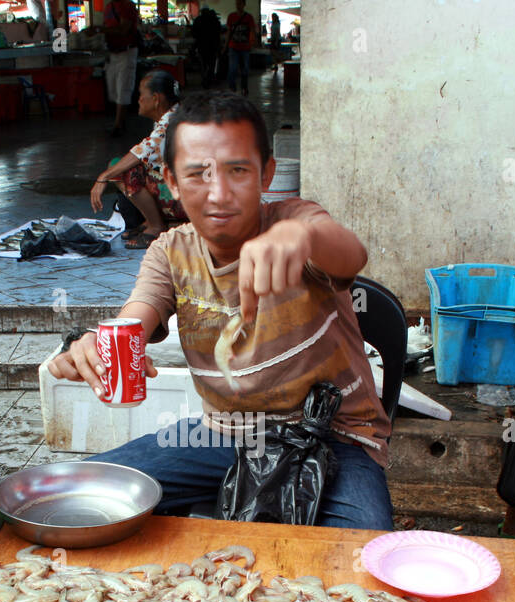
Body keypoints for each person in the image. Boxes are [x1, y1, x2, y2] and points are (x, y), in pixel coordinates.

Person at [49, 91, 393, 530]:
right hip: (224, 434)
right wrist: (94, 346)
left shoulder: (296, 222)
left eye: (238, 171)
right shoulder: (170, 252)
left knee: (364, 567)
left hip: (333, 436)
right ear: (171, 181)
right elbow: (135, 318)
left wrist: (303, 239)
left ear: (266, 173)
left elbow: (350, 255)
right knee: (76, 496)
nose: (219, 194)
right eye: (197, 174)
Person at [90, 70, 186, 250]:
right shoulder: (175, 115)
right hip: (192, 190)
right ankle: (150, 220)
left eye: (142, 95)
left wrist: (103, 177)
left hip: (187, 199)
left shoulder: (169, 122)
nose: (139, 99)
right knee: (123, 165)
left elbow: (141, 152)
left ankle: (156, 226)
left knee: (126, 171)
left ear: (156, 99)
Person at [101, 0, 140, 137]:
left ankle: (118, 125)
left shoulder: (127, 6)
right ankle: (121, 121)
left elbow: (124, 29)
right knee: (113, 90)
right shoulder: (108, 7)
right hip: (113, 53)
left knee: (123, 87)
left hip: (126, 53)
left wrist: (100, 30)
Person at [223, 0, 255, 97]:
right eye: (237, 3)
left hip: (245, 47)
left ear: (244, 5)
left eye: (240, 3)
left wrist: (251, 43)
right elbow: (229, 32)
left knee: (245, 69)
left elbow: (252, 31)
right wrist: (225, 46)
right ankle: (232, 89)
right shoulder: (231, 16)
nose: (238, 5)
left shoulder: (249, 17)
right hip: (233, 47)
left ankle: (244, 88)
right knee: (232, 68)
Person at [189, 5, 220, 88]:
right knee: (211, 64)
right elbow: (218, 33)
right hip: (212, 46)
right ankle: (209, 79)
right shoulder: (214, 19)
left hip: (201, 46)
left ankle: (205, 79)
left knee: (203, 64)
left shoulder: (198, 20)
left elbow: (193, 33)